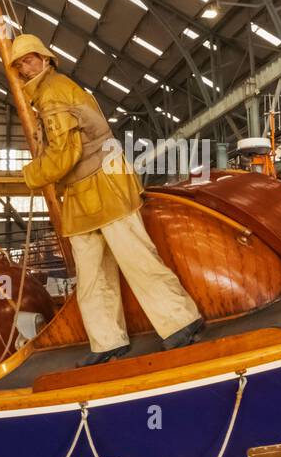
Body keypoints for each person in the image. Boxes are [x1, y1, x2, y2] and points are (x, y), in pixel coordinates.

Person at [12, 33, 204, 365]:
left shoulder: (54, 93)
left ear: (45, 59)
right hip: (80, 192)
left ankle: (180, 322)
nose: (25, 67)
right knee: (91, 275)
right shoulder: (46, 94)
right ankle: (107, 341)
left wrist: (30, 175)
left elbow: (65, 153)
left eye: (29, 59)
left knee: (136, 259)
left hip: (103, 183)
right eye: (19, 64)